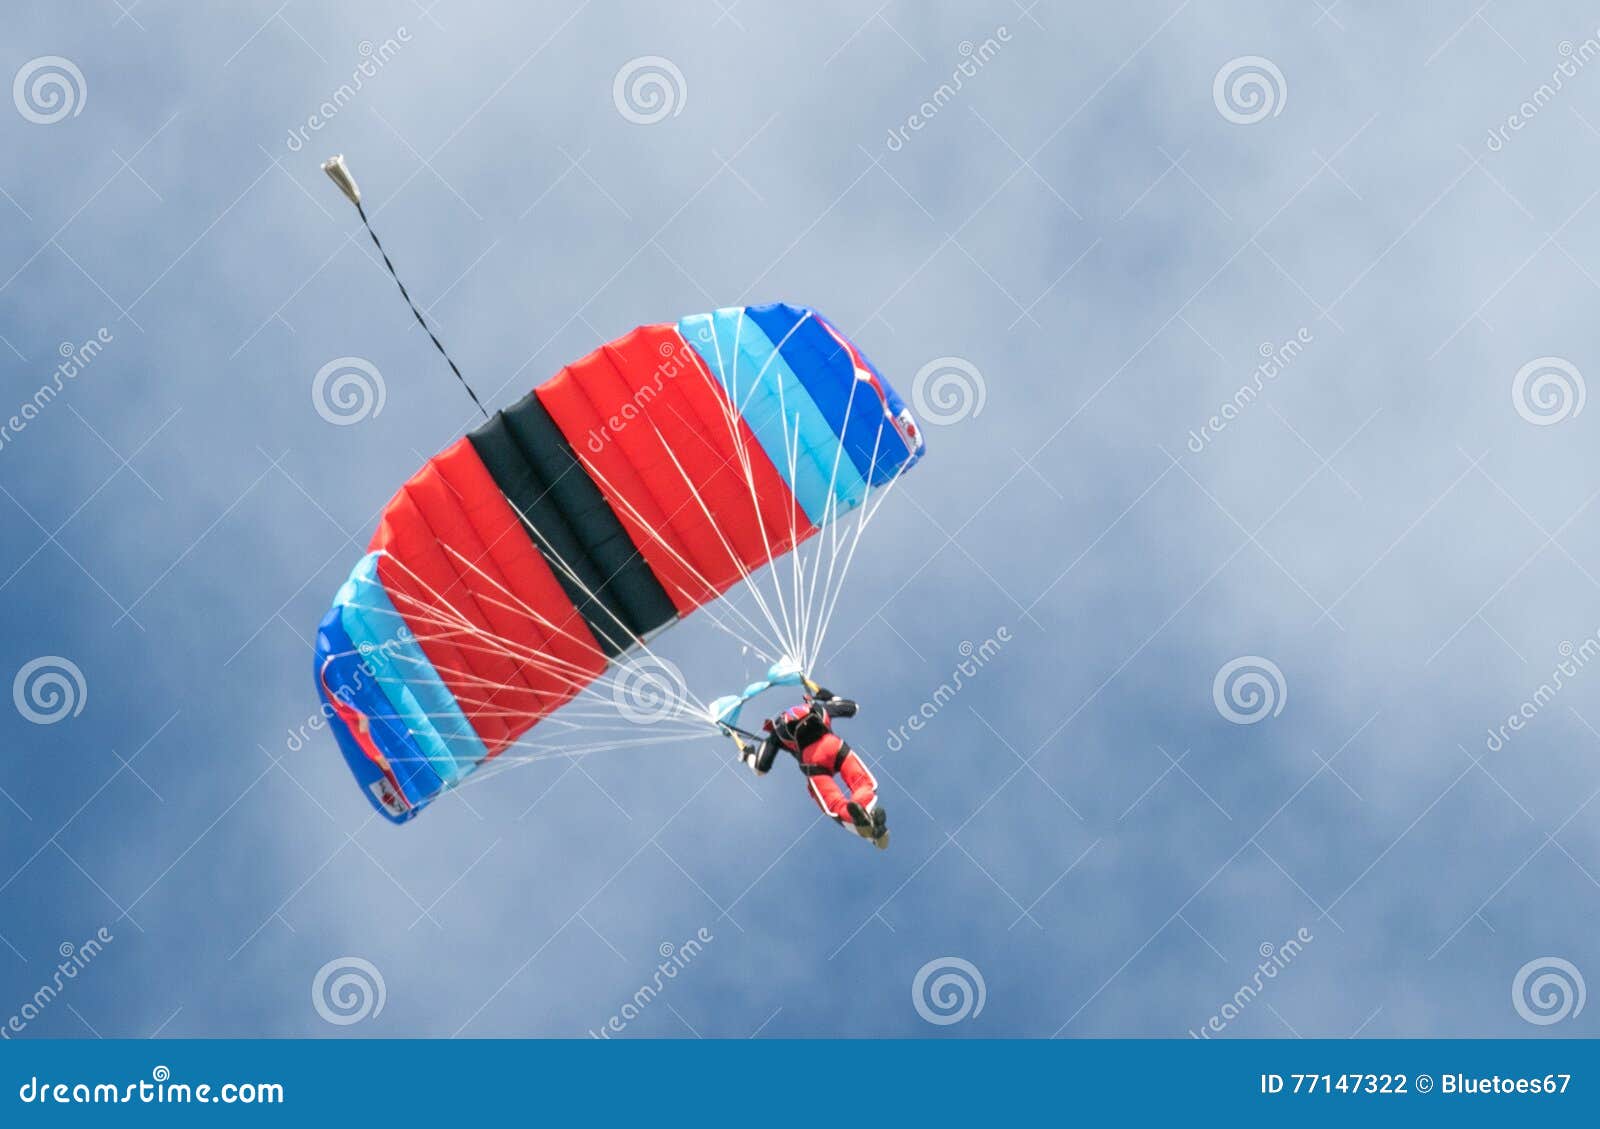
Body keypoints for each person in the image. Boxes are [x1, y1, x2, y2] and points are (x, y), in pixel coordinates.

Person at [737, 687, 888, 849]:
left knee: (835, 806)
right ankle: (866, 810)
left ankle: (857, 819)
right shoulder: (819, 709)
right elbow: (852, 707)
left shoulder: (777, 734)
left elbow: (760, 768)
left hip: (813, 764)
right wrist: (829, 696)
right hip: (835, 747)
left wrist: (748, 756)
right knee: (862, 783)